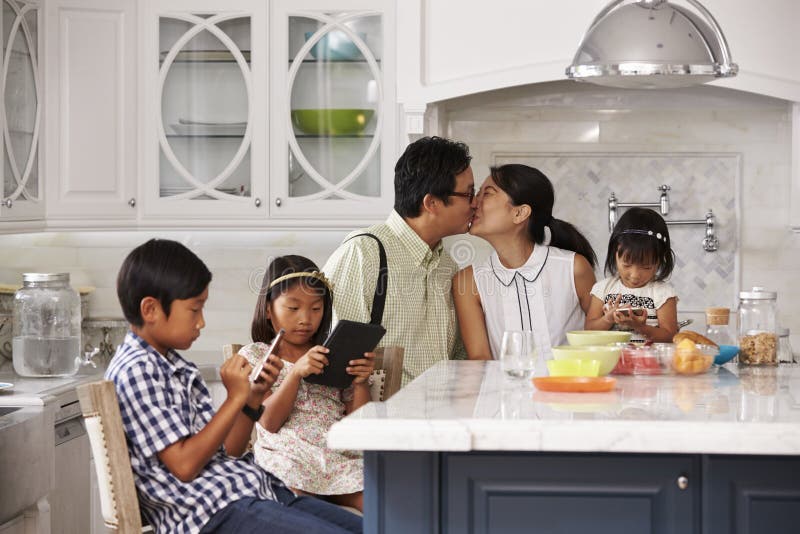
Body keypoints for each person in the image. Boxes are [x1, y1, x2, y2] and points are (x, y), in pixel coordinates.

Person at [105, 239, 362, 534]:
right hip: (212, 512)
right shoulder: (138, 369)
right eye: (194, 309)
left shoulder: (174, 366)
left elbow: (230, 451)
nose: (201, 322)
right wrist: (233, 399)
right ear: (150, 309)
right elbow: (186, 465)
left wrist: (251, 399)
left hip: (258, 491)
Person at [323, 136, 476, 386]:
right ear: (432, 203)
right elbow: (334, 359)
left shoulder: (448, 266)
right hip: (378, 421)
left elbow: (458, 357)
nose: (475, 203)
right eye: (468, 194)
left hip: (440, 420)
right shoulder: (364, 252)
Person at [237, 255, 374, 512]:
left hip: (336, 456)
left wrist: (361, 383)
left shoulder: (332, 354)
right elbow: (269, 422)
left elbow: (359, 426)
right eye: (293, 308)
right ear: (268, 310)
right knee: (300, 506)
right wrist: (296, 373)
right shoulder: (255, 355)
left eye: (315, 308)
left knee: (381, 501)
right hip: (288, 457)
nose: (305, 319)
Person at [453, 164, 597, 360]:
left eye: (486, 194)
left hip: (570, 389)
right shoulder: (469, 282)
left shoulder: (573, 268)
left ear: (519, 213)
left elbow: (602, 337)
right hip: (503, 390)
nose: (474, 203)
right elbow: (480, 360)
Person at [585, 207, 678, 343]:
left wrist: (640, 327)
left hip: (649, 362)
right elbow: (589, 330)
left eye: (646, 267)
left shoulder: (663, 294)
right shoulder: (602, 289)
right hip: (611, 361)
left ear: (660, 259)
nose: (635, 275)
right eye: (627, 265)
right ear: (614, 254)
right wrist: (607, 319)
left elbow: (670, 336)